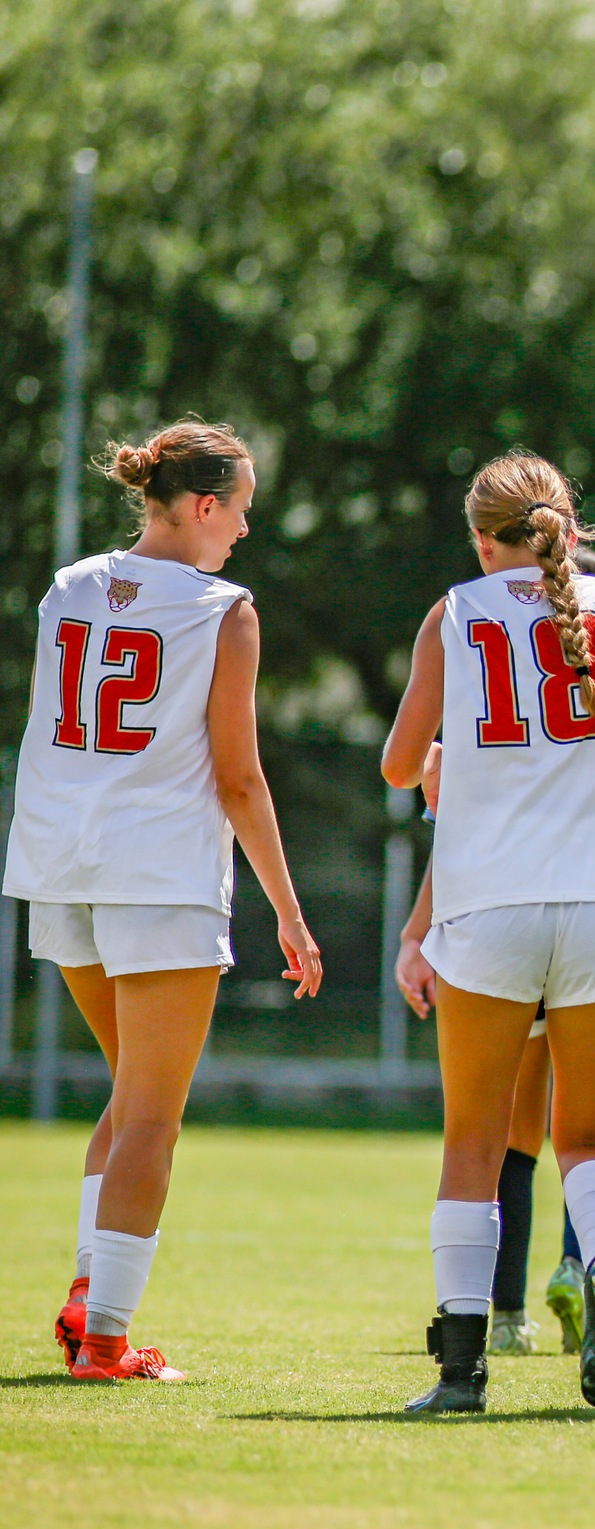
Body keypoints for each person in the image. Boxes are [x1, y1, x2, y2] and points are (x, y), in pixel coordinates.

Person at [381, 451, 595, 1413]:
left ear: (480, 538)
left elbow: (401, 762)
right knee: (591, 1137)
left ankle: (459, 1370)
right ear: (571, 530)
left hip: (488, 904)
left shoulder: (455, 613)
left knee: (474, 1142)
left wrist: (446, 758)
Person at [12, 421, 324, 1381]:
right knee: (151, 1113)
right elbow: (239, 779)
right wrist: (289, 909)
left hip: (62, 869)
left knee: (130, 1096)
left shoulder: (68, 586)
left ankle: (85, 1297)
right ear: (201, 504)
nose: (242, 533)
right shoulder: (222, 607)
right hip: (158, 879)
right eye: (238, 512)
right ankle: (105, 1338)